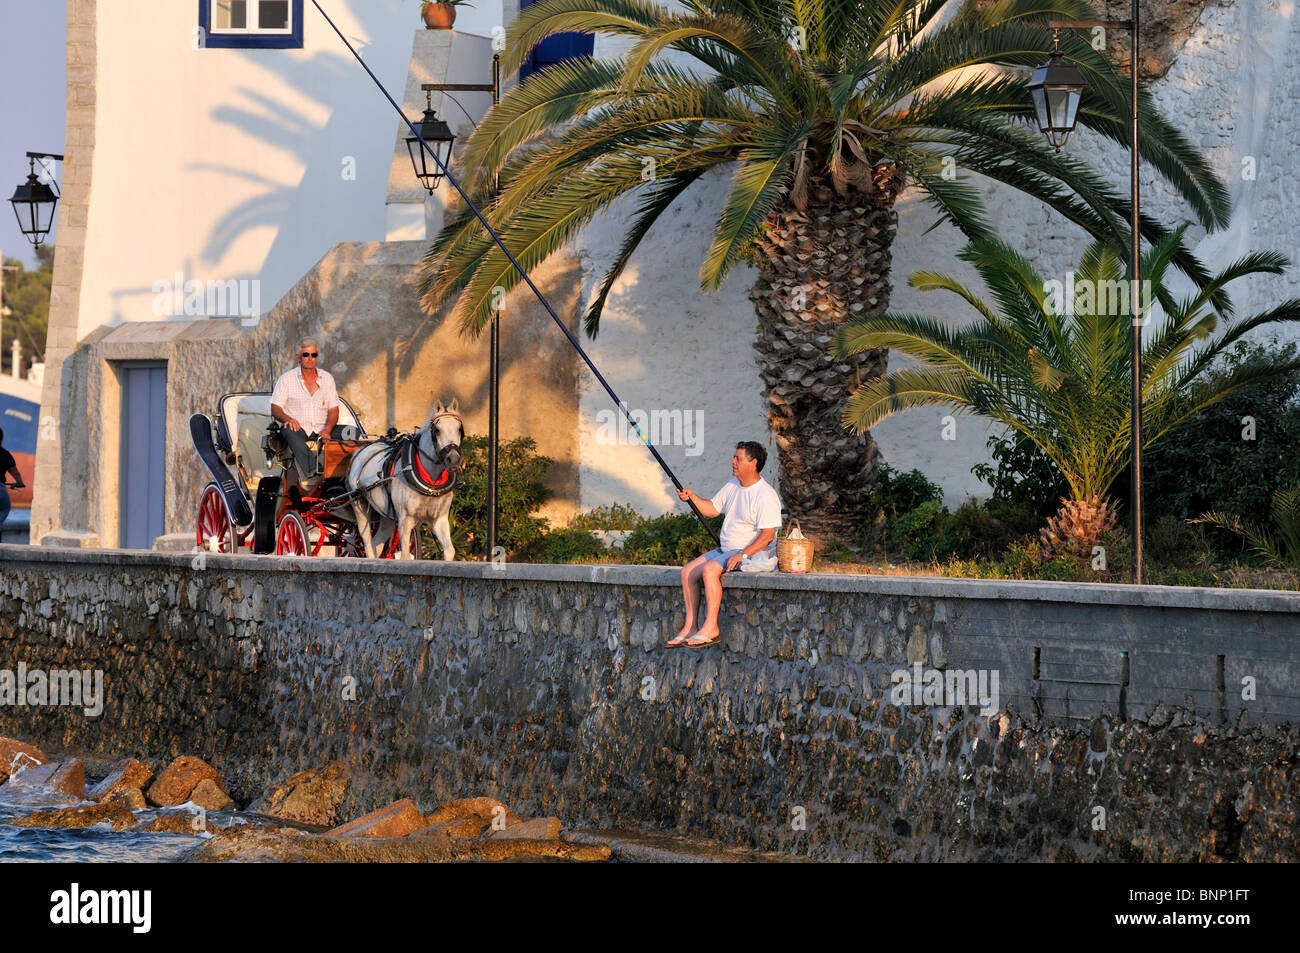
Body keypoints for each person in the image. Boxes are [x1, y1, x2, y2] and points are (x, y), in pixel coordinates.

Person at [669, 440, 782, 649]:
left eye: (738, 458)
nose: (732, 462)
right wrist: (691, 497)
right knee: (687, 572)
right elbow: (712, 509)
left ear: (753, 463)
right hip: (725, 550)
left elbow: (767, 536)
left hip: (747, 553)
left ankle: (711, 627)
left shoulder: (765, 495)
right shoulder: (733, 485)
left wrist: (743, 555)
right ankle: (690, 627)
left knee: (710, 570)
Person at [270, 337, 339, 483]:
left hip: (322, 430)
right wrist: (288, 419)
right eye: (306, 355)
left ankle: (348, 471)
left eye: (314, 355)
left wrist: (327, 429)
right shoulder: (286, 379)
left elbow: (334, 410)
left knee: (352, 432)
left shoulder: (327, 378)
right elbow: (275, 408)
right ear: (299, 358)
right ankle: (313, 470)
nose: (310, 358)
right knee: (287, 429)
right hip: (298, 429)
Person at [0, 428, 24, 528]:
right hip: (0, 489)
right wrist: (19, 483)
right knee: (4, 509)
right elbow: (15, 473)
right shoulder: (5, 454)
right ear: (1, 439)